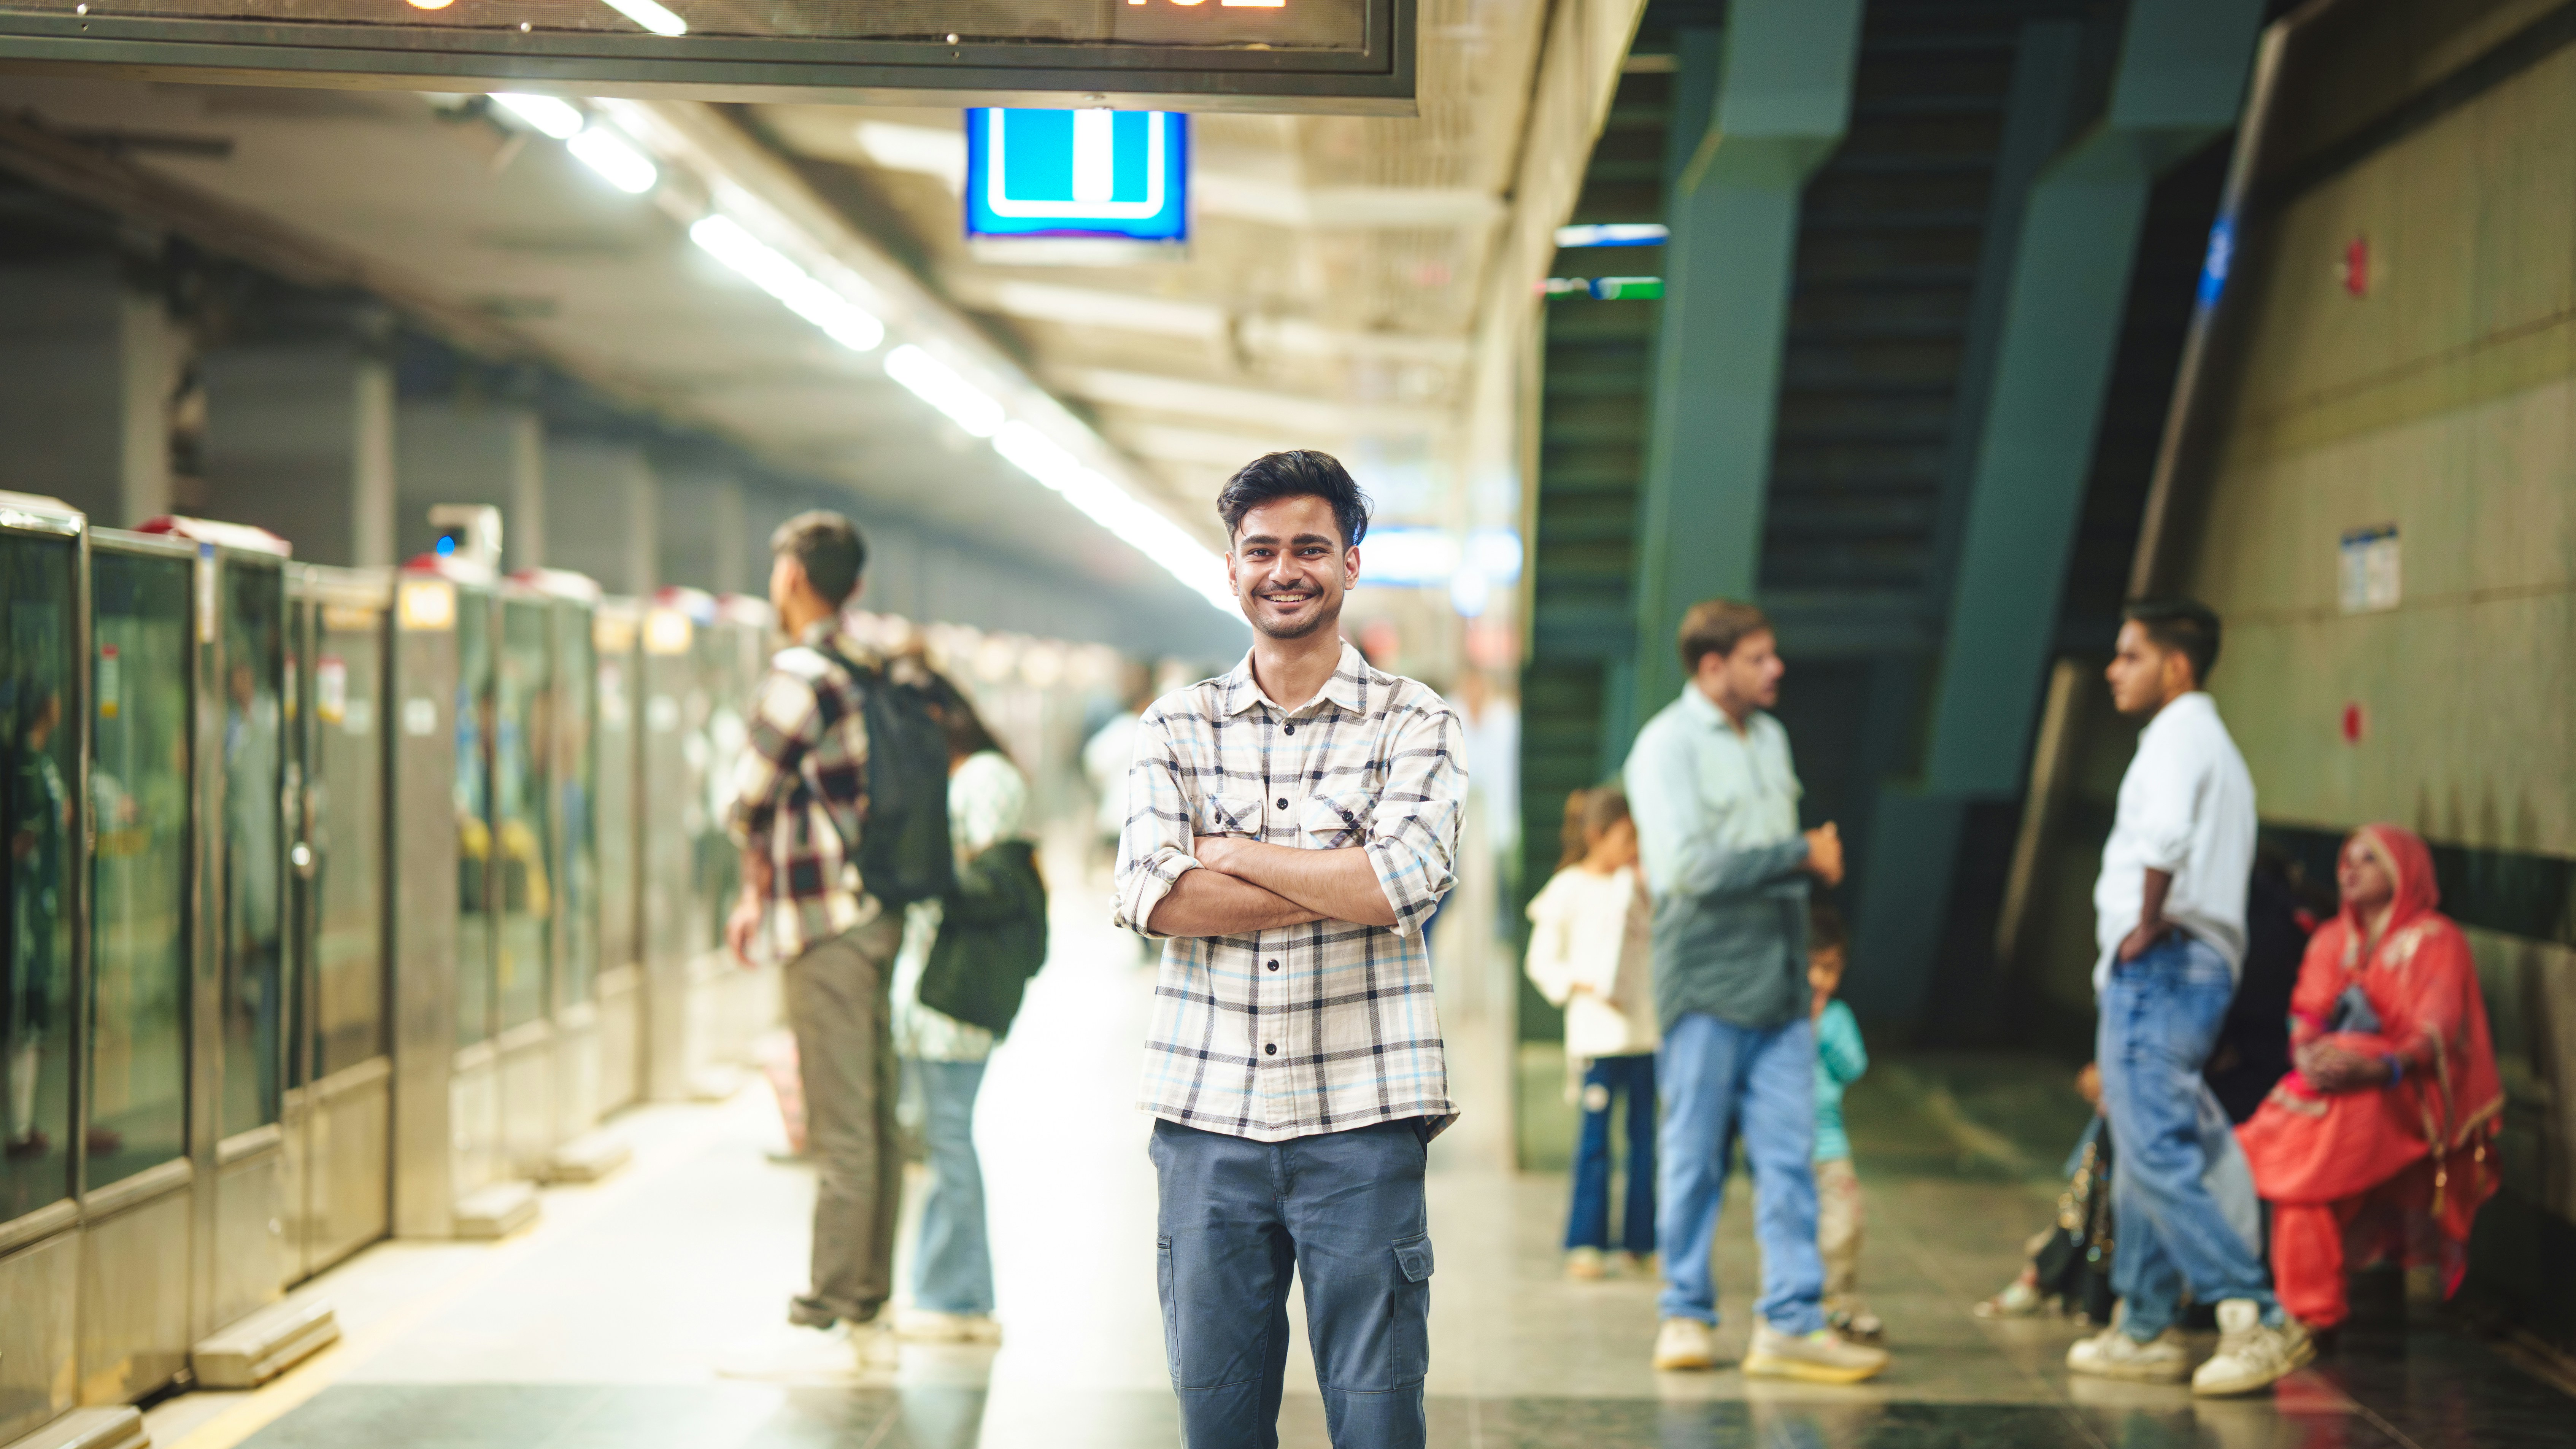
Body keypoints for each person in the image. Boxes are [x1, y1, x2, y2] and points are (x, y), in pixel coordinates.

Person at [1113, 450, 1464, 1449]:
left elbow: (1402, 881)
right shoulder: (1173, 726)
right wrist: (1331, 872)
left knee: (1377, 1421)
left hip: (1363, 1121)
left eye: (1309, 547)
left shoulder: (1417, 721)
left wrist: (1235, 856)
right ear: (1230, 569)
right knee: (1216, 1424)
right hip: (1204, 1125)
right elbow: (1157, 898)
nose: (1284, 569)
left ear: (1351, 563)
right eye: (1259, 549)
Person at [1622, 599, 1885, 1383]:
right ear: (1713, 666)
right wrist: (1798, 854)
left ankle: (1792, 1324)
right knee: (1694, 1158)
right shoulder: (1665, 747)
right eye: (1759, 657)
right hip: (1705, 982)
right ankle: (1685, 1314)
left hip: (1781, 984)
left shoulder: (1770, 737)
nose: (1776, 669)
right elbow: (1687, 871)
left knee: (1790, 1157)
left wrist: (1794, 867)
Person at [2071, 597, 2308, 1397]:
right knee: (2146, 1144)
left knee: (2158, 1149)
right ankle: (2142, 1323)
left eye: (2130, 655)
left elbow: (2165, 835)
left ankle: (2257, 1312)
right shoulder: (2210, 742)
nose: (2114, 669)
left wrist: (2144, 925)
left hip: (2164, 965)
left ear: (2176, 666)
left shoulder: (2178, 735)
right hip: (2185, 966)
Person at [720, 511, 909, 1376]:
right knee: (870, 1113)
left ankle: (826, 1318)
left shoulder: (799, 672)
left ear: (792, 578)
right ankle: (867, 1308)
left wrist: (751, 870)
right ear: (854, 587)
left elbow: (744, 794)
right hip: (874, 913)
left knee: (839, 1125)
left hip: (826, 923)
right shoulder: (863, 666)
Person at [2236, 825, 2502, 1345]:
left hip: (2402, 1091)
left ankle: (2305, 1307)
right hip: (2330, 1092)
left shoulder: (2435, 939)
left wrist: (2380, 1067)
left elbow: (2436, 1029)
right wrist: (2308, 1053)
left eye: (2368, 859)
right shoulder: (2332, 938)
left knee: (2303, 1160)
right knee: (2304, 1186)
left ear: (2405, 871)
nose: (2348, 870)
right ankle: (2309, 1310)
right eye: (2344, 860)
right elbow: (2305, 1014)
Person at [889, 671, 1028, 1346]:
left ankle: (964, 1300)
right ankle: (940, 1288)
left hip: (952, 993)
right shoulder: (965, 774)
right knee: (939, 1139)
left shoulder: (983, 779)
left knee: (947, 1138)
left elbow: (980, 876)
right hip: (927, 993)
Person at [1523, 786, 1656, 1282]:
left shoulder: (1639, 885)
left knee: (1646, 1140)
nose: (1633, 845)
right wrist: (1581, 981)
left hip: (1645, 1034)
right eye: (1626, 835)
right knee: (1596, 1142)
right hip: (1596, 1037)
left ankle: (1643, 1240)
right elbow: (1541, 961)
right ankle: (1586, 1241)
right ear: (1598, 834)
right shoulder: (1567, 888)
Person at [1805, 899, 1879, 1344]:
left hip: (1830, 1147)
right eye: (1812, 968)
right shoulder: (1776, 1017)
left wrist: (1824, 1034)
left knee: (1846, 1228)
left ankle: (1840, 1299)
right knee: (1796, 1230)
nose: (1820, 980)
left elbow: (1854, 1067)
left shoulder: (1836, 1018)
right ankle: (1805, 1303)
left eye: (1831, 969)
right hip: (1785, 1148)